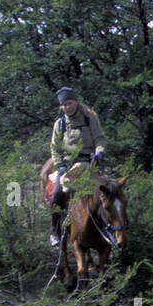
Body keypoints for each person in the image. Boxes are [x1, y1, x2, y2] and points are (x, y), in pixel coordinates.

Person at [47, 86, 108, 245]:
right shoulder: (59, 124)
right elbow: (55, 147)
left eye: (70, 103)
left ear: (76, 102)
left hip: (89, 162)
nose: (67, 107)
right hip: (67, 165)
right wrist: (60, 165)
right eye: (64, 104)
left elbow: (100, 138)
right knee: (57, 194)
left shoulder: (90, 118)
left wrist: (99, 152)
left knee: (109, 191)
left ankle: (110, 227)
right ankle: (55, 230)